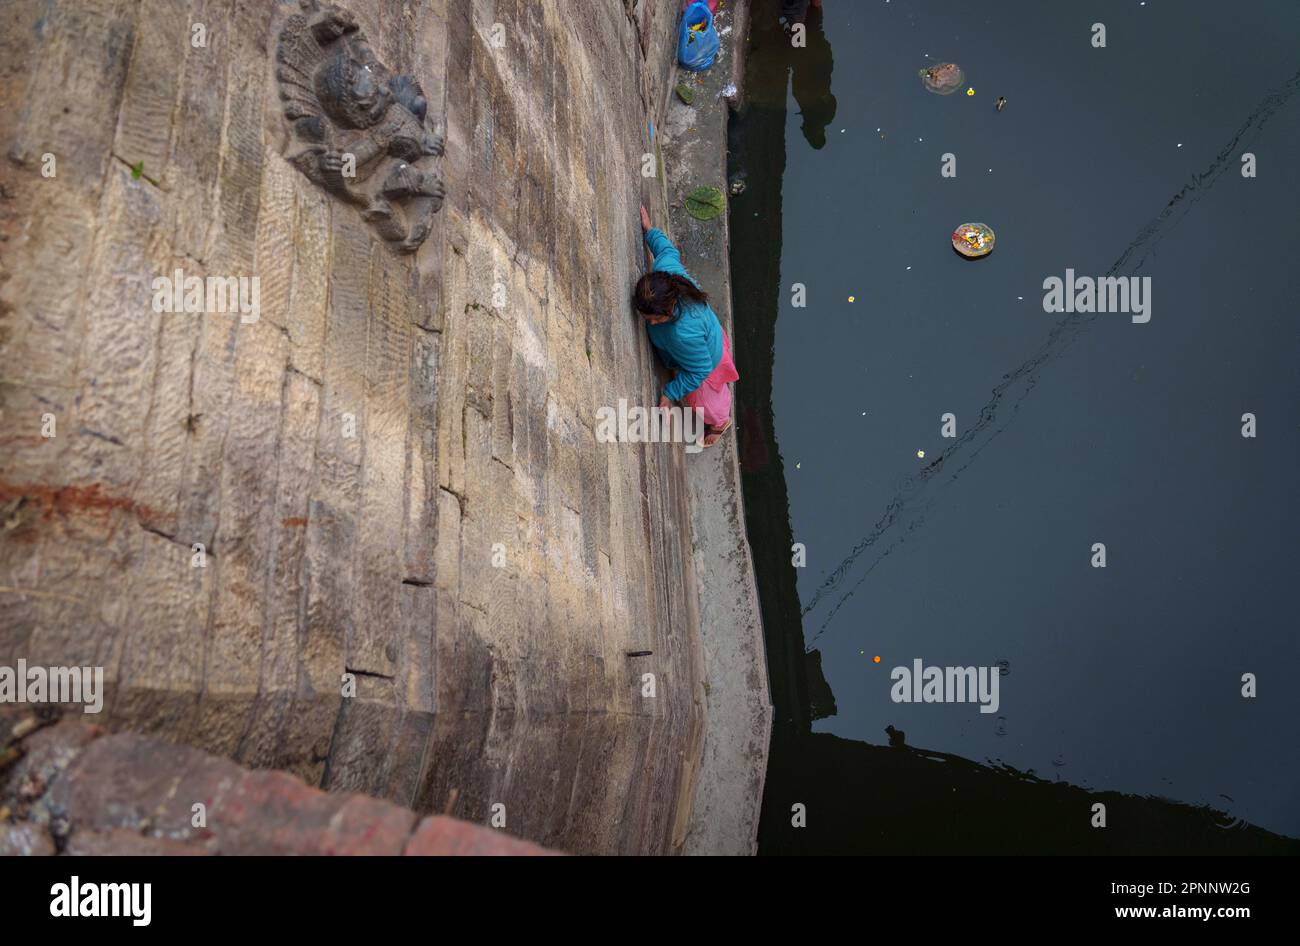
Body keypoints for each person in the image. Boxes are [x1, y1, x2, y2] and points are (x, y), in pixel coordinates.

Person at [633, 205, 739, 448]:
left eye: (654, 320)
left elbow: (700, 370)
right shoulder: (666, 272)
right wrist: (650, 231)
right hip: (706, 336)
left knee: (706, 404)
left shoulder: (682, 334)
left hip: (705, 361)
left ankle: (721, 423)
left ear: (668, 311)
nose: (649, 322)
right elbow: (666, 249)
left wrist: (670, 393)